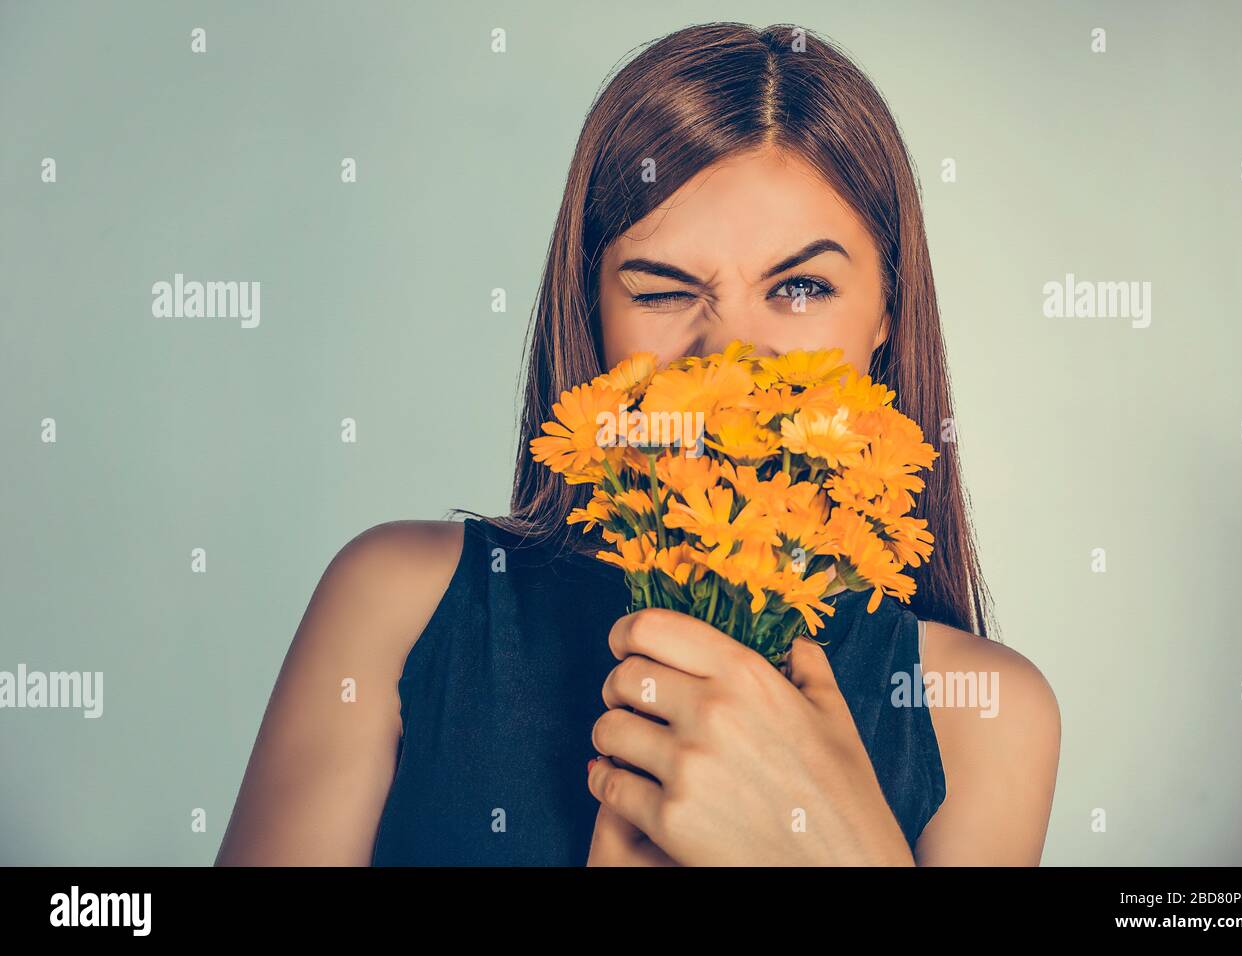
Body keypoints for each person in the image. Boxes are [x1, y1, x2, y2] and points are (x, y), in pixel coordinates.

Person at [215, 21, 1060, 867]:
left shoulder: (986, 714)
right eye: (662, 290)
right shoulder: (397, 605)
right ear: (593, 318)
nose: (731, 357)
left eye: (801, 287)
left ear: (888, 315)